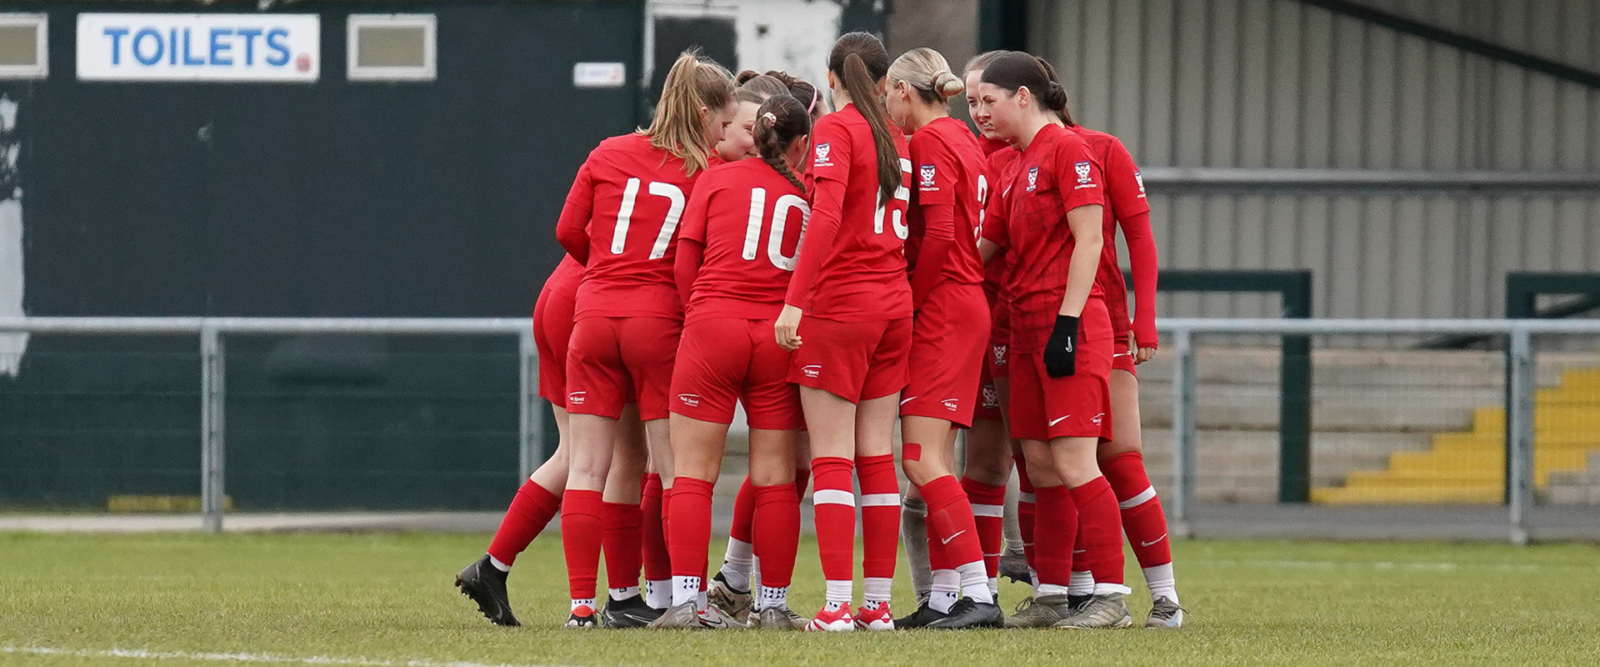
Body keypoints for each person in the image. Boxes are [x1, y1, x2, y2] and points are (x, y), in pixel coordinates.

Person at [555, 50, 735, 629]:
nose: (725, 132)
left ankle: (585, 605)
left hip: (595, 318)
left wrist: (608, 270)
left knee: (587, 467)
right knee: (673, 469)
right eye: (724, 120)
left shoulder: (608, 151)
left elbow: (567, 232)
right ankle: (684, 600)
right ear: (705, 112)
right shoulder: (706, 172)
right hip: (660, 325)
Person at [973, 52, 1131, 629]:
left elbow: (1091, 240)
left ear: (1022, 97)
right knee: (1038, 464)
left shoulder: (1069, 149)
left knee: (1074, 461)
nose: (980, 113)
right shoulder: (1012, 166)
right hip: (1022, 326)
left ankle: (1110, 597)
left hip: (1068, 323)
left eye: (989, 101)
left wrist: (1068, 324)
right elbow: (980, 252)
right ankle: (1052, 595)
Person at [650, 94, 815, 630]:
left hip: (714, 325)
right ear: (800, 144)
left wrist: (699, 312)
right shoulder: (806, 190)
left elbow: (685, 260)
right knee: (773, 477)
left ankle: (690, 603)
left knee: (693, 476)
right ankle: (771, 606)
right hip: (777, 334)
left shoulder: (717, 179)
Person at [773, 31, 913, 632]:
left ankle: (834, 606)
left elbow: (825, 219)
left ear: (832, 78)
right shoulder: (899, 137)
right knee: (877, 456)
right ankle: (876, 604)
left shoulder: (835, 130)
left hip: (842, 308)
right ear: (885, 84)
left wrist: (793, 305)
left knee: (832, 458)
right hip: (893, 306)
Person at [452, 257, 645, 627]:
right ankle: (618, 599)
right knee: (620, 458)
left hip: (563, 291)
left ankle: (493, 566)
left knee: (575, 454)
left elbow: (570, 229)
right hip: (597, 301)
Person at [879, 47, 1002, 630]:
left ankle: (978, 594)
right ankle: (947, 597)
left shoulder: (928, 143)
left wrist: (914, 300)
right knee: (939, 460)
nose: (887, 107)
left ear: (904, 90)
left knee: (920, 459)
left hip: (946, 305)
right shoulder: (965, 139)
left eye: (888, 94)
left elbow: (941, 233)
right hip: (966, 300)